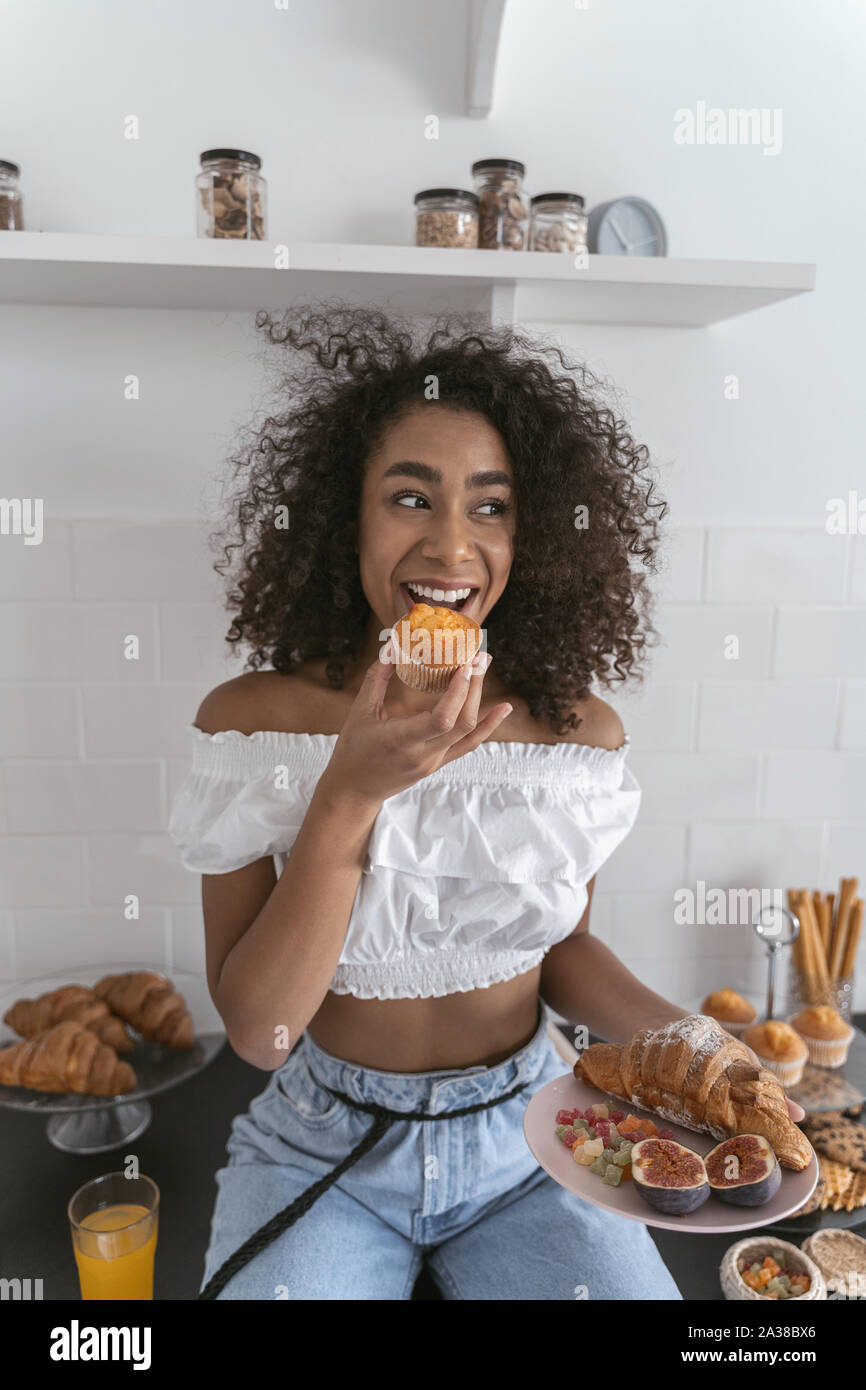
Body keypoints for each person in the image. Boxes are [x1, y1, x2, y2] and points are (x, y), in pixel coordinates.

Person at [167, 306, 801, 1300]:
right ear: (350, 518)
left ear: (532, 533)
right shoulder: (251, 723)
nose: (451, 545)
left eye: (491, 507)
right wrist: (346, 794)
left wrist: (697, 1050)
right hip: (321, 1142)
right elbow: (259, 1032)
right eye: (410, 497)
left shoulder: (575, 737)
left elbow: (563, 951)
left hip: (536, 1132)